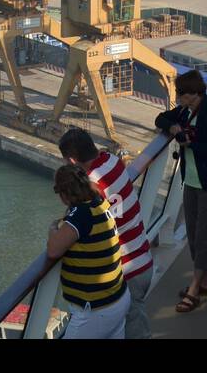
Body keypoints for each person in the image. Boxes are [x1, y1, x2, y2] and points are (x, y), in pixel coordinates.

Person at [58, 128, 153, 339]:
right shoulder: (111, 161)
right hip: (143, 258)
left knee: (136, 335)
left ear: (72, 161)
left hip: (127, 271)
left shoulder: (91, 187)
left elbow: (74, 225)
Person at [155, 70, 207, 311]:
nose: (177, 96)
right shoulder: (185, 112)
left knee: (205, 236)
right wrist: (176, 129)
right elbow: (161, 118)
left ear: (193, 94)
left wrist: (192, 144)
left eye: (181, 93)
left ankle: (195, 288)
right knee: (196, 235)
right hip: (192, 182)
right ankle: (206, 282)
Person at [46, 163, 129, 339]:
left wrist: (53, 229)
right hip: (118, 297)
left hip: (95, 310)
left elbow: (53, 250)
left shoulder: (81, 215)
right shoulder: (99, 202)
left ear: (64, 193)